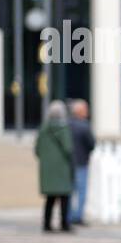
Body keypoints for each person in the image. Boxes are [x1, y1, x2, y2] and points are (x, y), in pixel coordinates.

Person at [35, 100, 75, 233]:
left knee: (50, 199)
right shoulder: (64, 129)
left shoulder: (43, 129)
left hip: (47, 169)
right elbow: (68, 148)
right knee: (64, 198)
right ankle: (64, 224)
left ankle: (47, 224)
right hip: (62, 168)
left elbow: (37, 150)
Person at [67, 99, 95, 225]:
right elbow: (91, 144)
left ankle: (69, 215)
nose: (87, 112)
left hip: (68, 163)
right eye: (85, 109)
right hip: (81, 162)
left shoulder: (66, 124)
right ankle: (78, 216)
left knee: (69, 191)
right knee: (81, 191)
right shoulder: (84, 126)